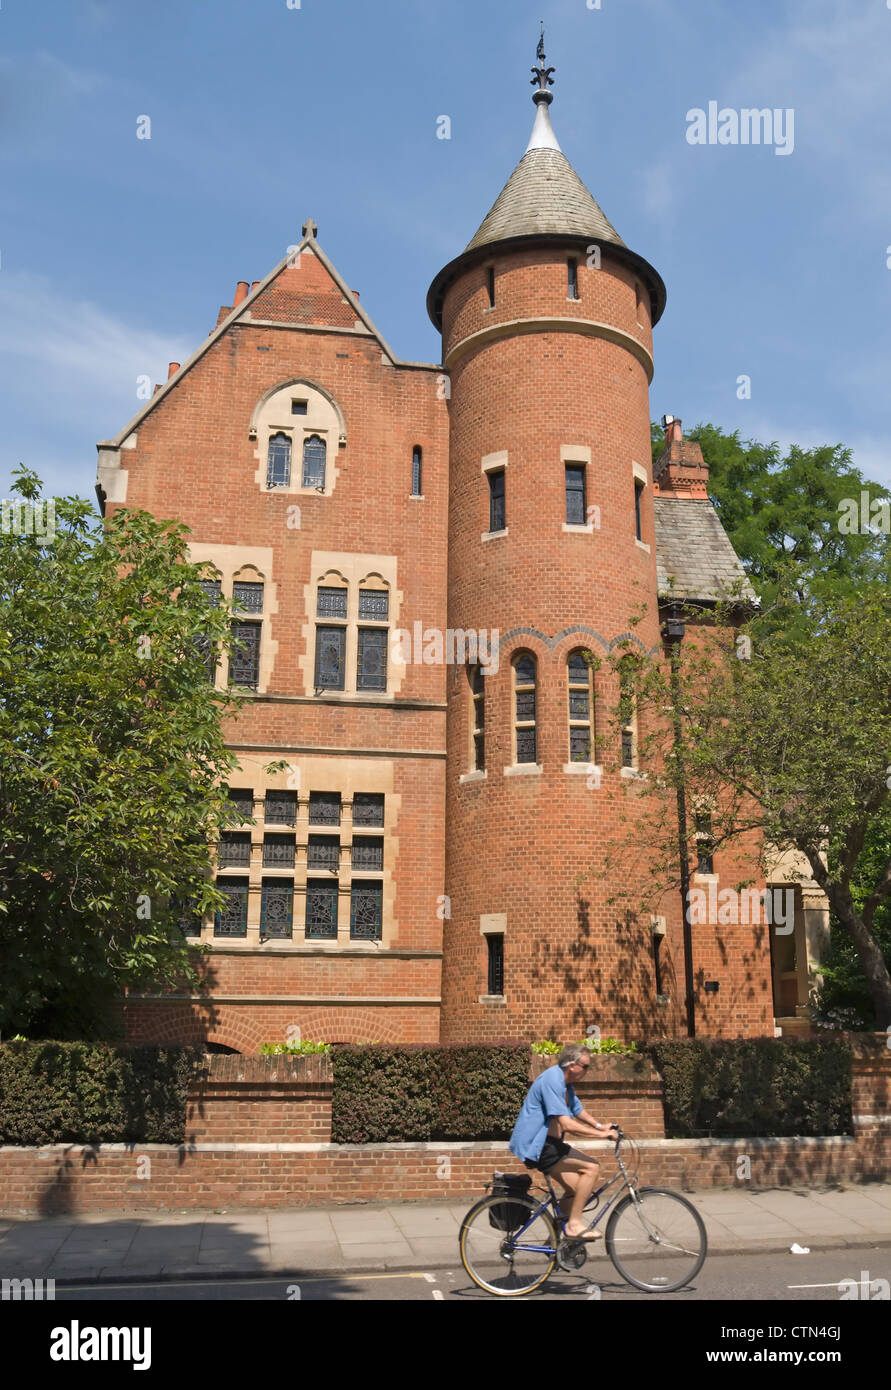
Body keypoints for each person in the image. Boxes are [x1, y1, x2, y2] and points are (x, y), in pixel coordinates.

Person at [509, 1043, 619, 1240]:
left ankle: (555, 1237)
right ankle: (574, 1225)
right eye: (585, 1066)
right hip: (540, 1146)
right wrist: (602, 1136)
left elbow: (577, 1110)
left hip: (549, 1144)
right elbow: (567, 1124)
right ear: (572, 1065)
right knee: (592, 1168)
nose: (587, 1070)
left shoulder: (565, 1084)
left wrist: (600, 1126)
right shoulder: (553, 1080)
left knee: (578, 1192)